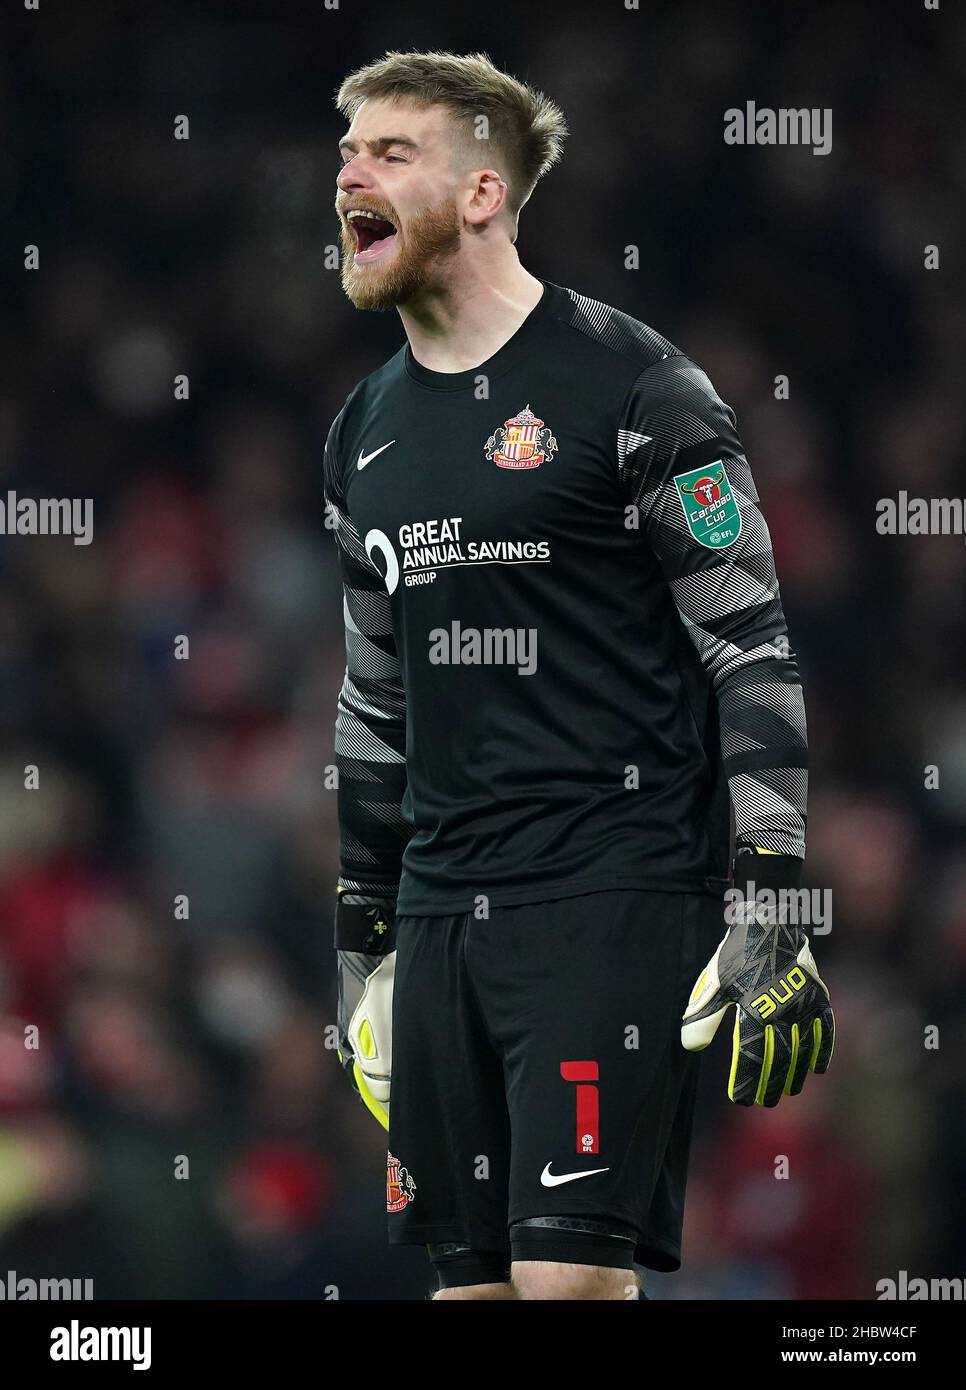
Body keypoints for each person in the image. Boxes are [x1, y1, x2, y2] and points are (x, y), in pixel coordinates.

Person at [323, 50, 834, 1302]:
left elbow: (750, 644)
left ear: (482, 190)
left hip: (611, 885)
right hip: (443, 908)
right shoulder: (360, 433)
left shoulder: (637, 385)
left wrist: (771, 890)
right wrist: (363, 942)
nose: (349, 176)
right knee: (475, 1293)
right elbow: (375, 698)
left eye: (391, 152)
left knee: (567, 1282)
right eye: (347, 152)